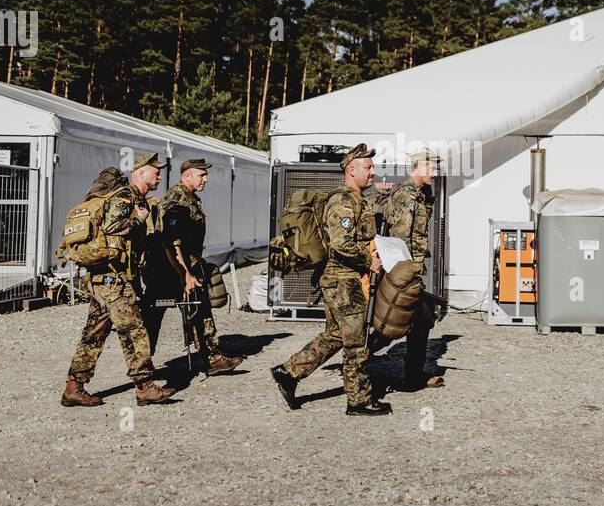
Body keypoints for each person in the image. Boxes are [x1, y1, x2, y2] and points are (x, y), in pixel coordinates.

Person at [269, 143, 391, 417]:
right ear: (351, 170)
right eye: (368, 167)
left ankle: (288, 372)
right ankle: (358, 400)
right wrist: (367, 260)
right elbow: (340, 243)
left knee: (337, 334)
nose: (373, 172)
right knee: (356, 341)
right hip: (342, 281)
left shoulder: (357, 200)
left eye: (372, 167)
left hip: (341, 280)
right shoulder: (343, 201)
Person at [61, 153, 176, 407]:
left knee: (94, 333)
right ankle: (144, 386)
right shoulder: (126, 196)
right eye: (154, 171)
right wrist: (139, 218)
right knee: (134, 330)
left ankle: (73, 388)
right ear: (140, 173)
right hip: (114, 279)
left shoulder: (135, 198)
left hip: (106, 278)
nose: (159, 175)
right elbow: (112, 226)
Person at [143, 158, 245, 375]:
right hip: (170, 269)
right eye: (201, 175)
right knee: (154, 315)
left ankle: (212, 358)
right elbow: (172, 241)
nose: (205, 179)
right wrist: (186, 274)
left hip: (186, 266)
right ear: (186, 176)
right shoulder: (176, 201)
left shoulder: (191, 199)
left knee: (200, 309)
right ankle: (142, 364)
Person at [384, 149, 444, 388]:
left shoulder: (420, 195)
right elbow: (401, 239)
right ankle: (361, 368)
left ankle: (414, 374)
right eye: (432, 167)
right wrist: (406, 273)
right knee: (391, 322)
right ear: (420, 166)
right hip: (406, 270)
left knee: (421, 321)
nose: (435, 172)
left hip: (414, 270)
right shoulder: (406, 196)